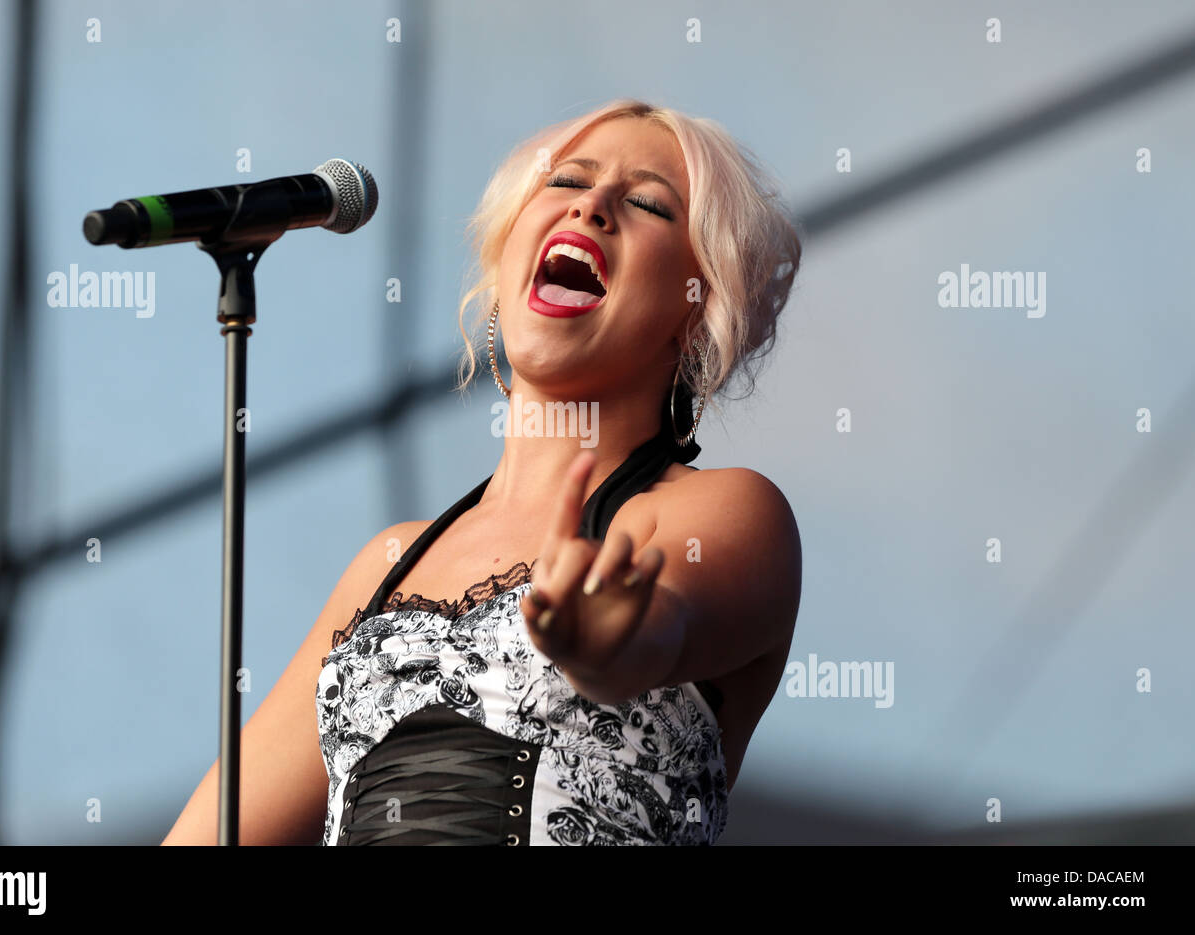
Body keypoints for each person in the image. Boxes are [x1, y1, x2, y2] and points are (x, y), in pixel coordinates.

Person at [163, 98, 802, 846]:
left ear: (697, 311)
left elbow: (658, 627)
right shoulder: (390, 563)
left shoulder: (724, 511)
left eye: (645, 203)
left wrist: (604, 641)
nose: (593, 205)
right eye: (565, 181)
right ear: (504, 262)